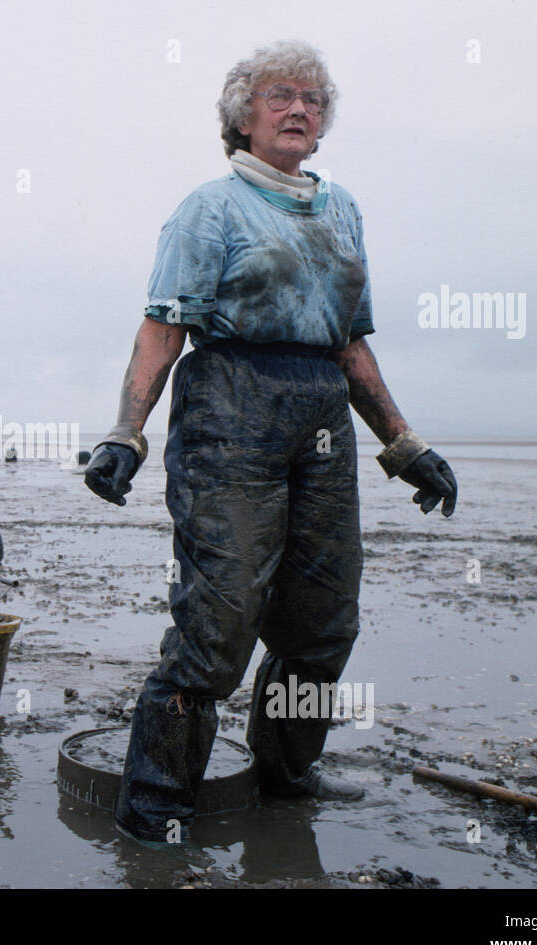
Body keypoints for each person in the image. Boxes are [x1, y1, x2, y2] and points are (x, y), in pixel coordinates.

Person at [83, 40, 458, 846]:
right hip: (230, 403)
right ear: (243, 116)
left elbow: (351, 345)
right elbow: (164, 327)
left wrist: (406, 444)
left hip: (320, 408)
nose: (299, 109)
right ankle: (155, 807)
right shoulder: (209, 209)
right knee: (220, 622)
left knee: (323, 622)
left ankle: (286, 775)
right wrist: (126, 432)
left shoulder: (344, 210)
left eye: (314, 100)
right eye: (281, 94)